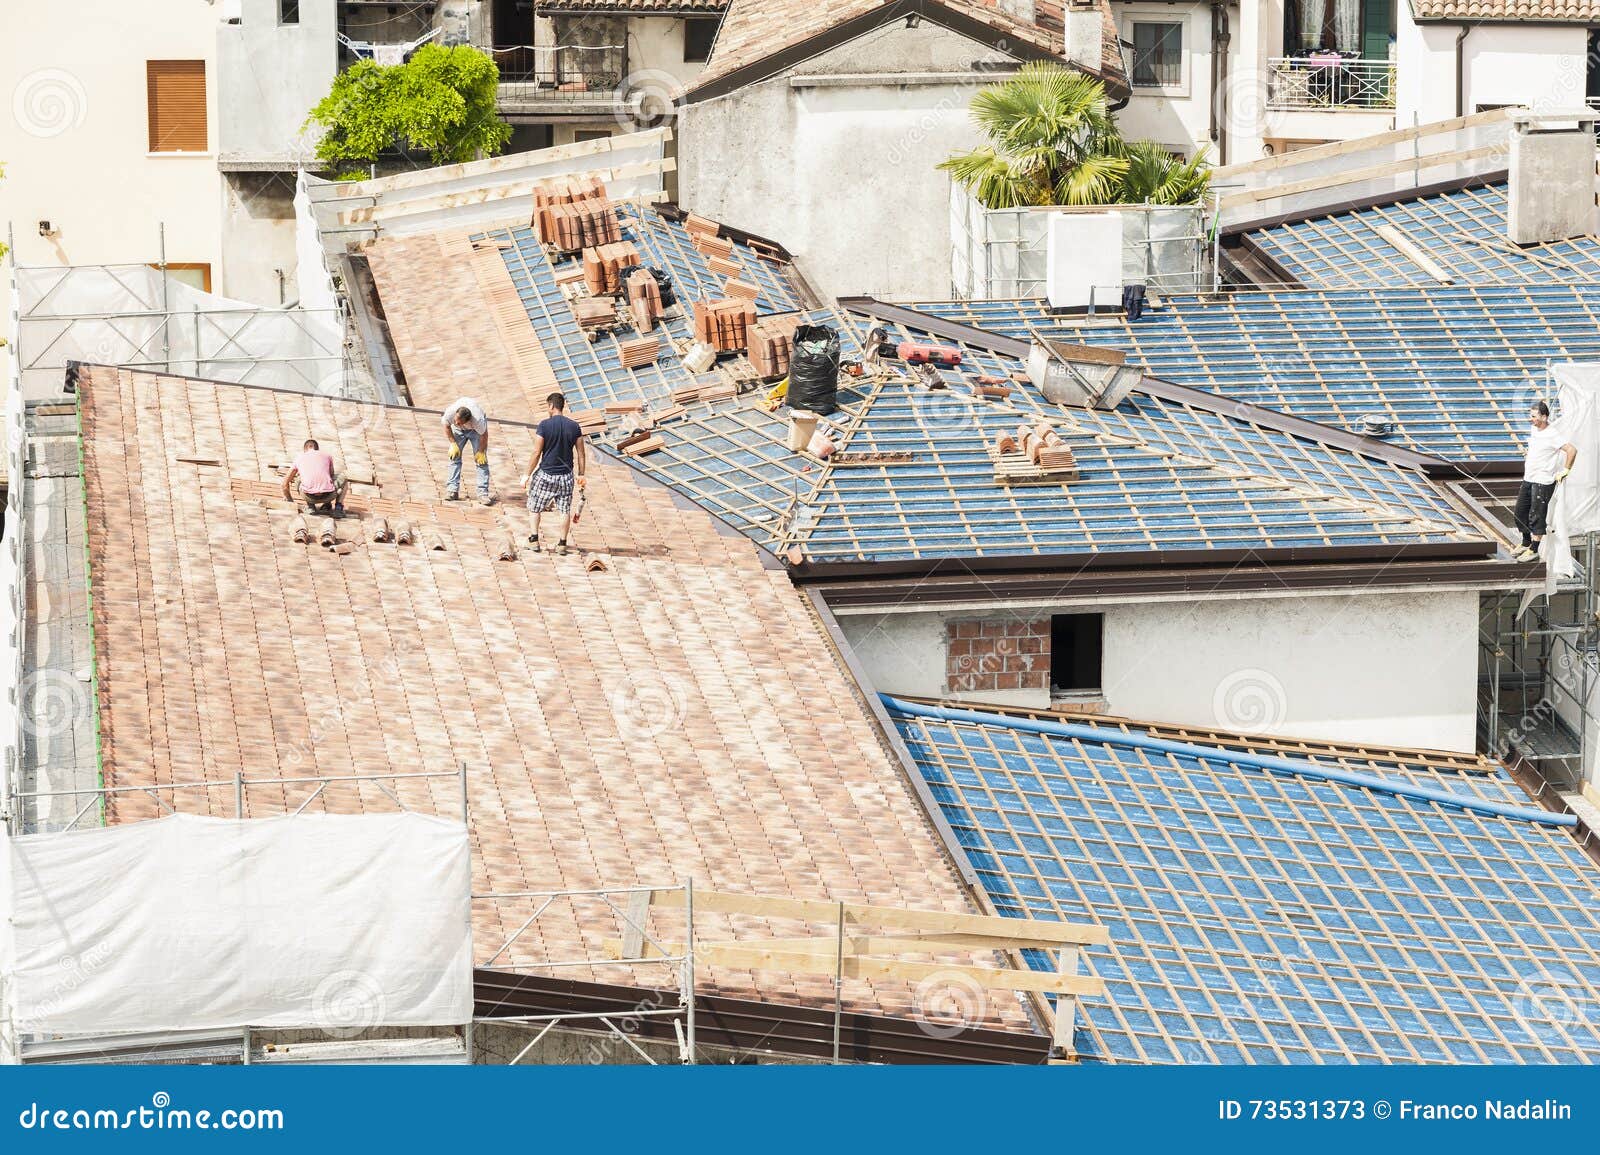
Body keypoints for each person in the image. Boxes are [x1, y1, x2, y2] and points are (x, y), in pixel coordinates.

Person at [1513, 400, 1577, 561]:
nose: (1531, 419)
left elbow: (1571, 450)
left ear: (1544, 417)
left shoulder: (1553, 434)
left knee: (1537, 514)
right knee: (1520, 512)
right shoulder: (1534, 429)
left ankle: (1534, 549)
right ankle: (1526, 542)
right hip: (1529, 477)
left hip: (1543, 480)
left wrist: (1566, 470)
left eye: (1534, 416)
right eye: (1531, 415)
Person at [524, 391, 586, 555]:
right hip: (566, 476)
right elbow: (581, 454)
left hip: (546, 474)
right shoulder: (574, 427)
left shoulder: (544, 425)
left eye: (548, 406)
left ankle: (534, 540)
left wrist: (526, 475)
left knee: (534, 507)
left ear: (551, 405)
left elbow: (536, 452)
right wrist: (581, 474)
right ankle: (562, 543)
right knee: (564, 510)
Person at [442, 397, 492, 505]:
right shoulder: (450, 413)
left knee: (481, 462)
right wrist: (453, 443)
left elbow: (484, 435)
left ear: (468, 421)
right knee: (454, 457)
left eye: (459, 422)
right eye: (455, 420)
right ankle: (452, 490)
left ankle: (482, 493)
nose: (456, 422)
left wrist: (481, 451)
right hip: (458, 432)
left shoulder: (478, 420)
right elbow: (446, 426)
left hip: (475, 432)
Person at [282, 438, 346, 516]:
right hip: (329, 495)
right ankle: (338, 509)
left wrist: (290, 501)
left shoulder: (299, 458)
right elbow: (330, 475)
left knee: (298, 477)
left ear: (305, 449)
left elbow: (284, 484)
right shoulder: (327, 456)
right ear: (317, 449)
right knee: (342, 478)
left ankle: (311, 507)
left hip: (308, 497)